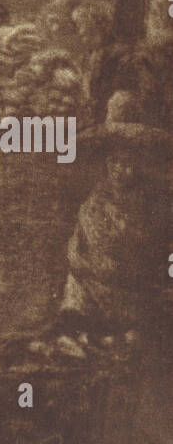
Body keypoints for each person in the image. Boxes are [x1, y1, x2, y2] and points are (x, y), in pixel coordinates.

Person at [51, 90, 172, 356]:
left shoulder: (151, 202)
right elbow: (81, 247)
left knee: (137, 328)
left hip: (133, 290)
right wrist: (88, 266)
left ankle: (111, 336)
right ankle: (86, 333)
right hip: (94, 284)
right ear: (106, 164)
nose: (120, 170)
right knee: (77, 294)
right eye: (114, 163)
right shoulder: (95, 201)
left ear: (139, 165)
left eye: (128, 164)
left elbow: (156, 248)